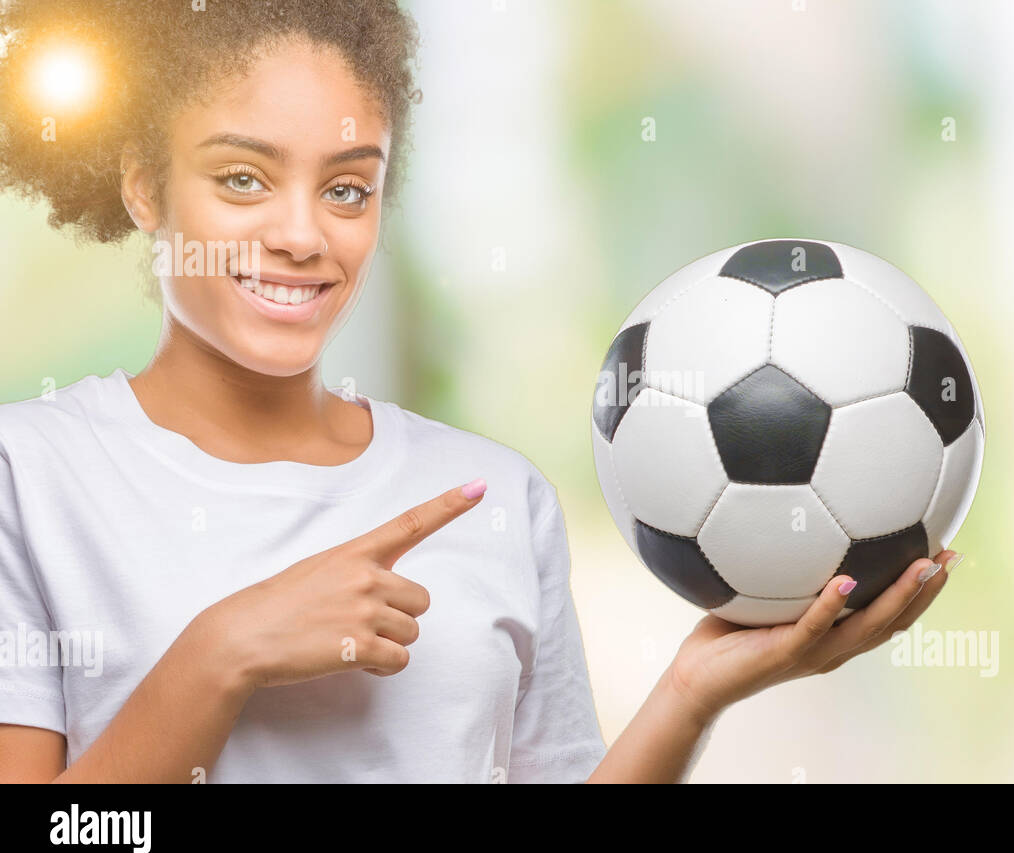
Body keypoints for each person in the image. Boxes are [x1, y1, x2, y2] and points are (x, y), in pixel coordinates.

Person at [0, 0, 960, 783]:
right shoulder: (32, 475)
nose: (303, 235)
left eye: (346, 189)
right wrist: (219, 656)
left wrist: (692, 692)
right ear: (142, 185)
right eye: (243, 178)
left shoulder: (490, 494)